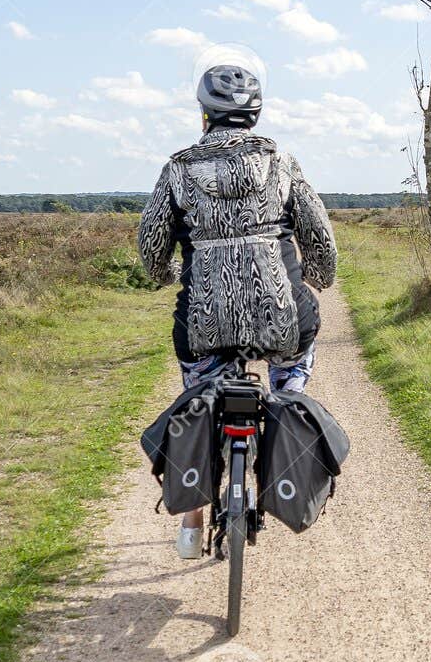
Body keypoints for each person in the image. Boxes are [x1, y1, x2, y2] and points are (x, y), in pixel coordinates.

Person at [137, 54, 338, 559]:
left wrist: (168, 275)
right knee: (290, 376)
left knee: (202, 393)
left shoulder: (179, 169)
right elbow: (321, 237)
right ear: (256, 116)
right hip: (283, 316)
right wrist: (318, 276)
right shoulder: (281, 162)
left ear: (204, 116)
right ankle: (284, 445)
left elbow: (150, 243)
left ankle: (191, 516)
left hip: (205, 322)